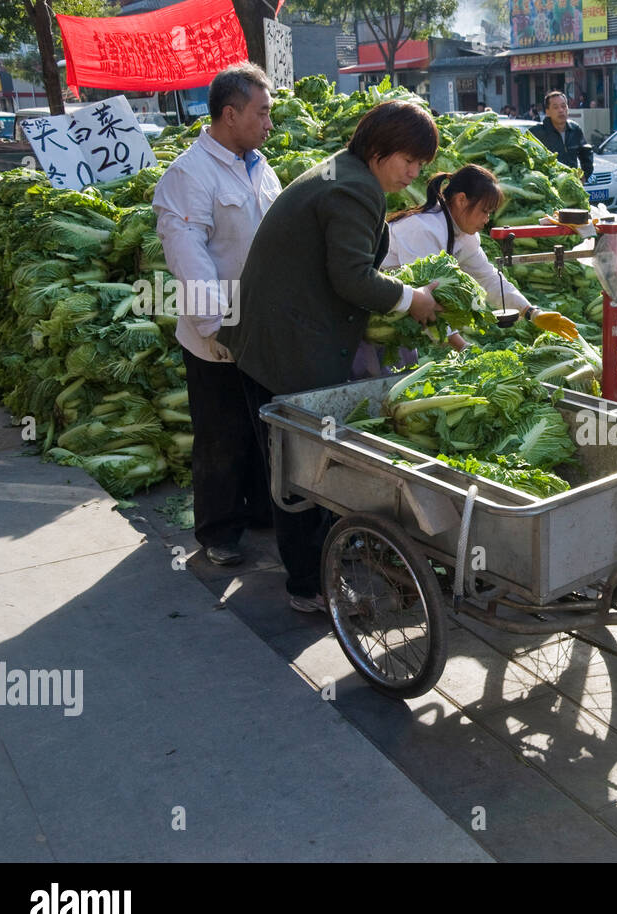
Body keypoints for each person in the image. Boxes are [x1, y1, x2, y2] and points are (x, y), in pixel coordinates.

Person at [218, 101, 443, 613]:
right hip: (287, 347)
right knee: (299, 475)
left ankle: (314, 570)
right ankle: (309, 587)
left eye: (421, 166)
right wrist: (414, 300)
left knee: (293, 466)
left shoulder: (344, 171)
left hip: (276, 339)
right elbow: (352, 278)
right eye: (409, 160)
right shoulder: (353, 187)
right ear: (381, 148)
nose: (413, 174)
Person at [153, 63, 281, 569]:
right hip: (218, 333)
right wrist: (216, 329)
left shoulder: (259, 165)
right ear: (230, 114)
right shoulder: (190, 174)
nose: (269, 123)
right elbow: (190, 258)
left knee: (259, 427)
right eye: (262, 112)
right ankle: (218, 531)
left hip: (261, 328)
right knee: (220, 434)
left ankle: (257, 511)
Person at [351, 163, 577, 373]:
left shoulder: (464, 235)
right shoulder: (423, 229)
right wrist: (462, 346)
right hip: (364, 323)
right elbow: (425, 301)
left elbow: (488, 278)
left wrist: (531, 312)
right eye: (485, 211)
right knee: (366, 392)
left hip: (397, 326)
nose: (487, 219)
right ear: (461, 200)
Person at [530, 91, 594, 181]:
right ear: (547, 111)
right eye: (555, 107)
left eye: (564, 106)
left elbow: (586, 152)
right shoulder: (537, 133)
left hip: (571, 186)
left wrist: (585, 175)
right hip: (548, 188)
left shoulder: (574, 129)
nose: (561, 110)